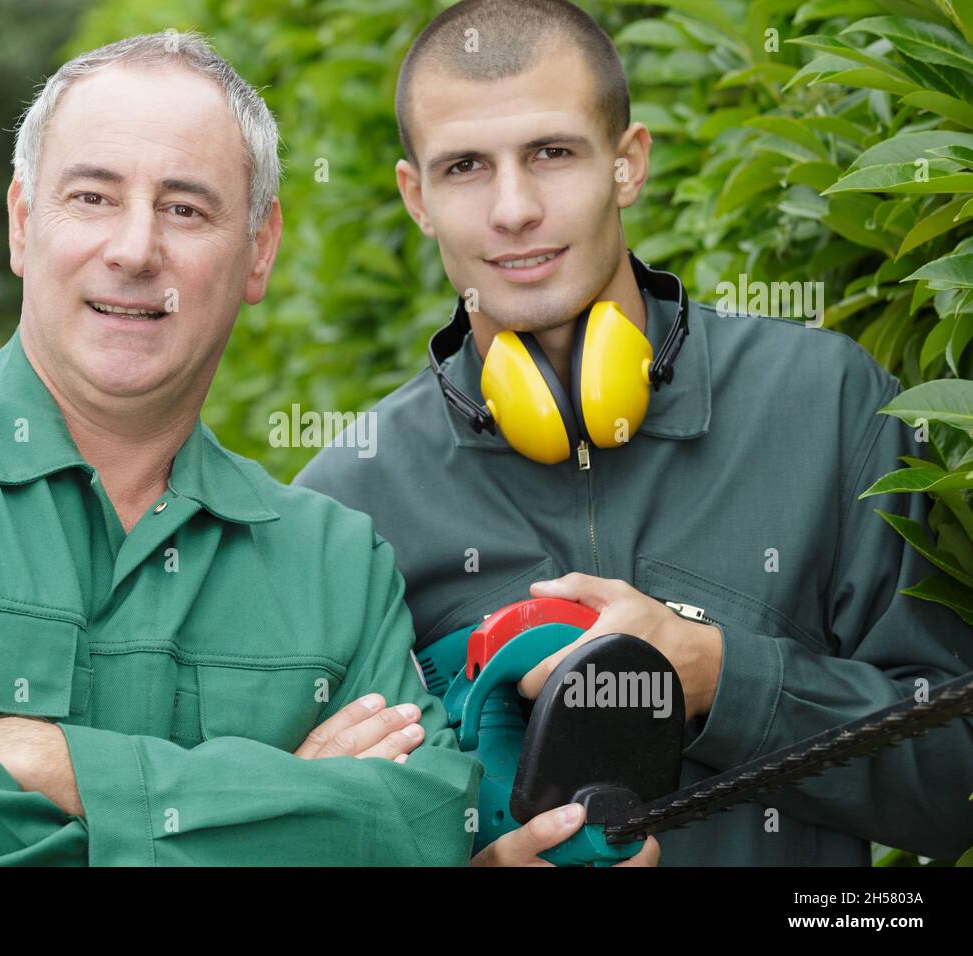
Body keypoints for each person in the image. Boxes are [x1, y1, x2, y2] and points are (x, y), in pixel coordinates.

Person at [0, 32, 498, 866]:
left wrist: (55, 762)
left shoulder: (335, 564)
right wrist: (272, 805)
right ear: (22, 221)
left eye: (185, 208)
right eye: (93, 198)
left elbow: (426, 827)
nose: (135, 250)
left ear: (259, 252)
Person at [295, 0, 973, 864]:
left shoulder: (827, 402)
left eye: (552, 153)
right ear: (416, 197)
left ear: (629, 163)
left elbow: (959, 783)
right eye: (464, 166)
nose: (513, 209)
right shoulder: (345, 499)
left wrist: (719, 678)